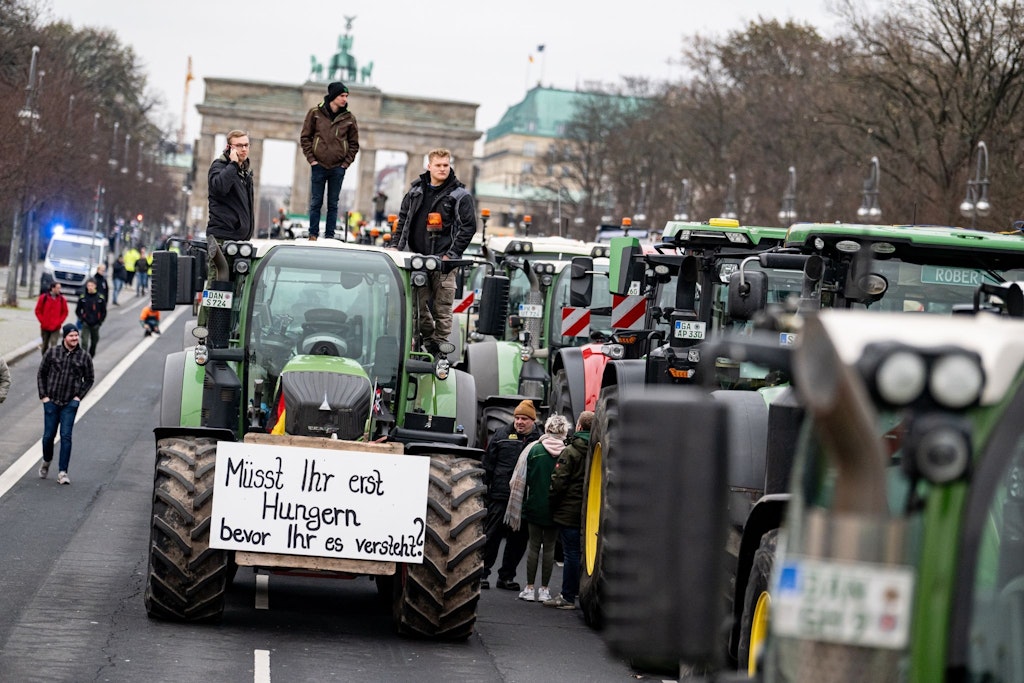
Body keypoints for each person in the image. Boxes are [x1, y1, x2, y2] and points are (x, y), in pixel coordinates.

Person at [393, 148, 477, 355]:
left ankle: (440, 349)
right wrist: (395, 247)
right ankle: (430, 341)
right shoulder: (414, 193)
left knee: (443, 309)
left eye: (445, 165)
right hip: (416, 260)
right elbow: (403, 221)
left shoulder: (460, 196)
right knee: (416, 309)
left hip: (444, 263)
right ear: (428, 166)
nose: (442, 169)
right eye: (438, 165)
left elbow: (469, 227)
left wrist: (452, 255)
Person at [505, 414, 570, 602]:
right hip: (556, 509)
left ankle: (529, 587)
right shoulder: (567, 452)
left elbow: (523, 480)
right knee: (549, 549)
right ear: (564, 431)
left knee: (533, 547)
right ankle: (544, 590)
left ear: (547, 429)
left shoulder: (534, 450)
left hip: (533, 505)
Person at [480, 399, 541, 590]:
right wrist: (485, 491)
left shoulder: (539, 441)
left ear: (533, 420)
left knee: (518, 541)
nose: (520, 422)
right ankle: (482, 574)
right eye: (517, 418)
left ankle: (506, 577)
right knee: (491, 537)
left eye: (524, 419)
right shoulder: (501, 435)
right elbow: (488, 465)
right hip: (500, 495)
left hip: (523, 499)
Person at [544, 410, 594, 610]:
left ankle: (567, 596)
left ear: (579, 427)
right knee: (584, 553)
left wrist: (551, 501)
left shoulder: (571, 451)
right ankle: (580, 591)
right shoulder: (599, 448)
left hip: (570, 508)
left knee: (570, 553)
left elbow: (559, 481)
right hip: (590, 511)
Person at [300, 82, 359, 240]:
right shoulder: (315, 113)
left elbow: (354, 144)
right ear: (333, 96)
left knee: (333, 204)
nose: (345, 99)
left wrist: (345, 164)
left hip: (337, 168)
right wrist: (312, 160)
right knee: (316, 202)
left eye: (346, 96)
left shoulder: (349, 118)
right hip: (318, 165)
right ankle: (313, 234)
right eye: (342, 96)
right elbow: (305, 137)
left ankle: (330, 236)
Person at [37, 323, 95, 485]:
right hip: (51, 402)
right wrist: (44, 397)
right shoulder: (52, 352)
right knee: (48, 436)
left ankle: (63, 472)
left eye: (76, 335)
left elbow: (89, 379)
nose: (75, 338)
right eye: (71, 335)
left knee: (66, 436)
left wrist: (78, 398)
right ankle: (47, 461)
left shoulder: (84, 356)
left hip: (69, 403)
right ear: (65, 337)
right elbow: (41, 374)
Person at [207, 129, 255, 251]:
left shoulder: (245, 172)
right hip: (222, 239)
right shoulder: (219, 166)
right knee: (220, 271)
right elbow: (220, 188)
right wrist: (233, 164)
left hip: (240, 241)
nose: (244, 149)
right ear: (229, 148)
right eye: (239, 146)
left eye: (246, 145)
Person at [75, 279, 107, 357]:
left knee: (94, 341)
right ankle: (83, 357)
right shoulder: (83, 297)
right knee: (84, 342)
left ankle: (91, 354)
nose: (90, 287)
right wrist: (81, 319)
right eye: (89, 285)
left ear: (95, 286)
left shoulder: (100, 298)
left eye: (92, 285)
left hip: (96, 323)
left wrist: (100, 321)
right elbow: (78, 310)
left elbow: (104, 311)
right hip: (86, 323)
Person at [35, 281, 69, 355]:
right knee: (45, 345)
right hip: (45, 325)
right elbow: (38, 310)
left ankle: (52, 361)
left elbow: (65, 312)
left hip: (56, 326)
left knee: (54, 344)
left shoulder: (62, 299)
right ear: (52, 288)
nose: (59, 290)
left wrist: (60, 321)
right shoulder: (43, 298)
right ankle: (45, 359)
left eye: (60, 288)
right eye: (57, 288)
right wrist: (42, 320)